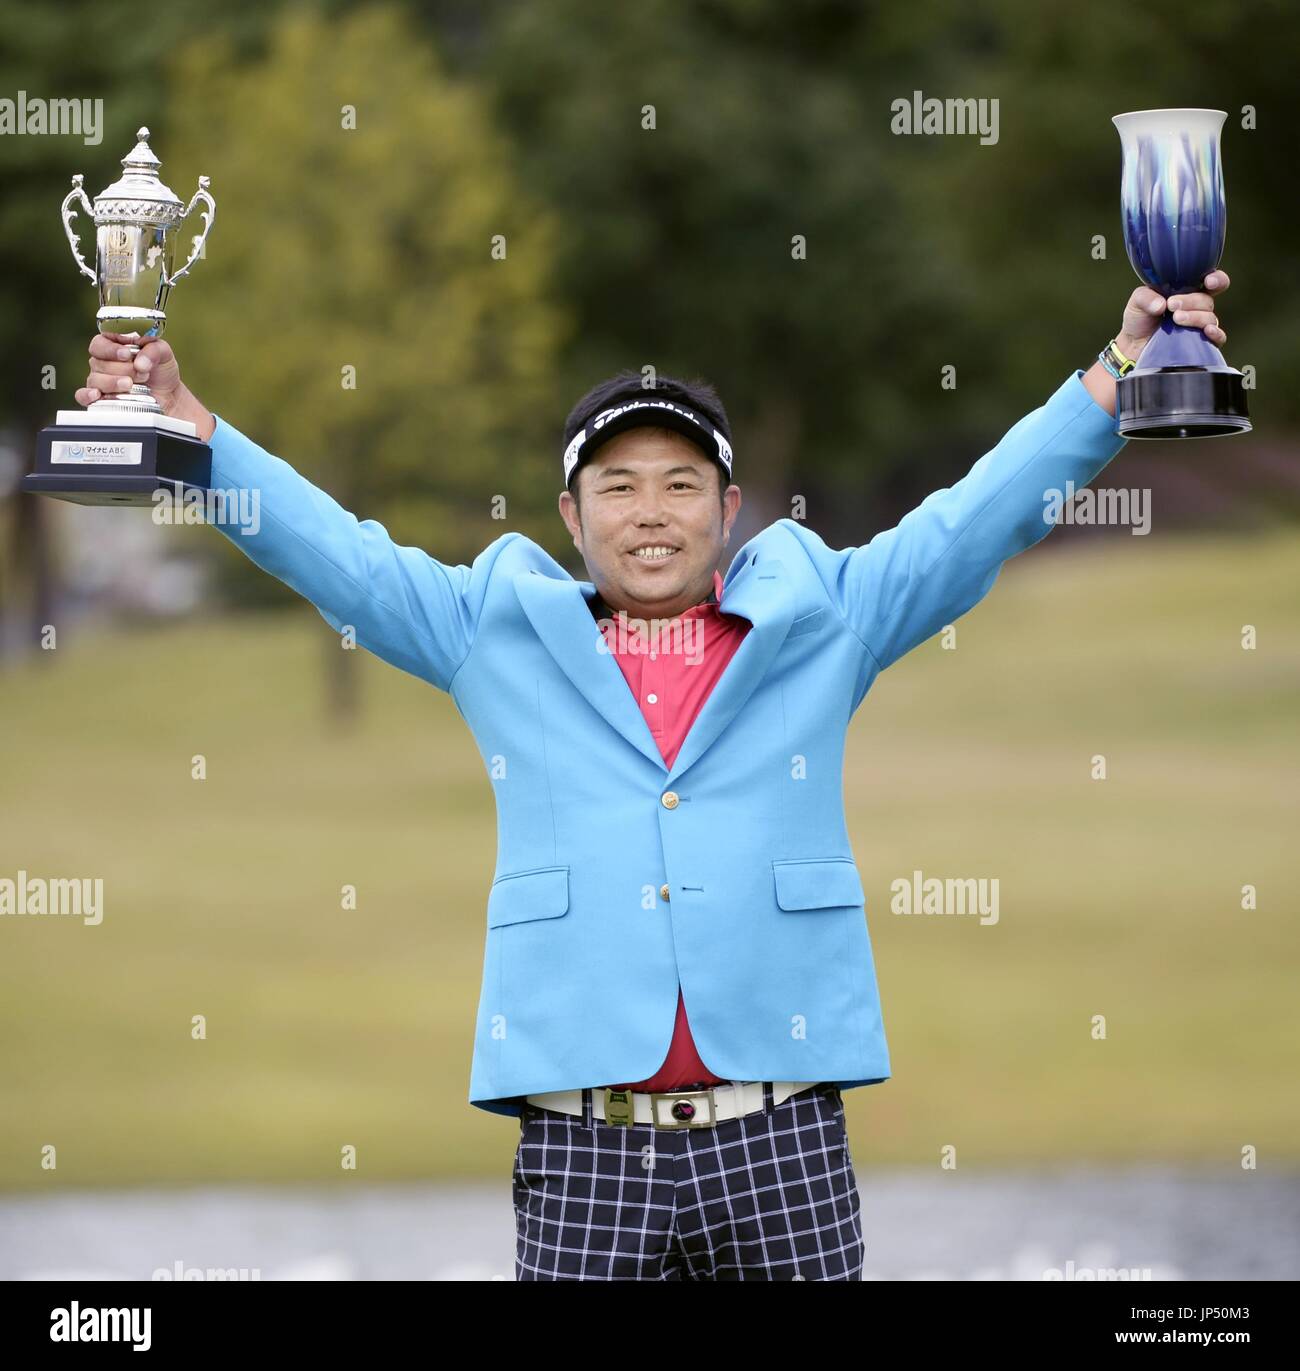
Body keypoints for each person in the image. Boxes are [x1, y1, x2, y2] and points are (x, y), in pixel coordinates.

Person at [77, 272, 1230, 1280]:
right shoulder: (494, 632)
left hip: (777, 1137)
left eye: (680, 485)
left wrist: (1122, 367)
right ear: (571, 516)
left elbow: (971, 522)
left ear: (727, 511)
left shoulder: (822, 617)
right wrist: (192, 434)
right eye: (617, 487)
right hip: (588, 1142)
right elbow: (341, 554)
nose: (649, 515)